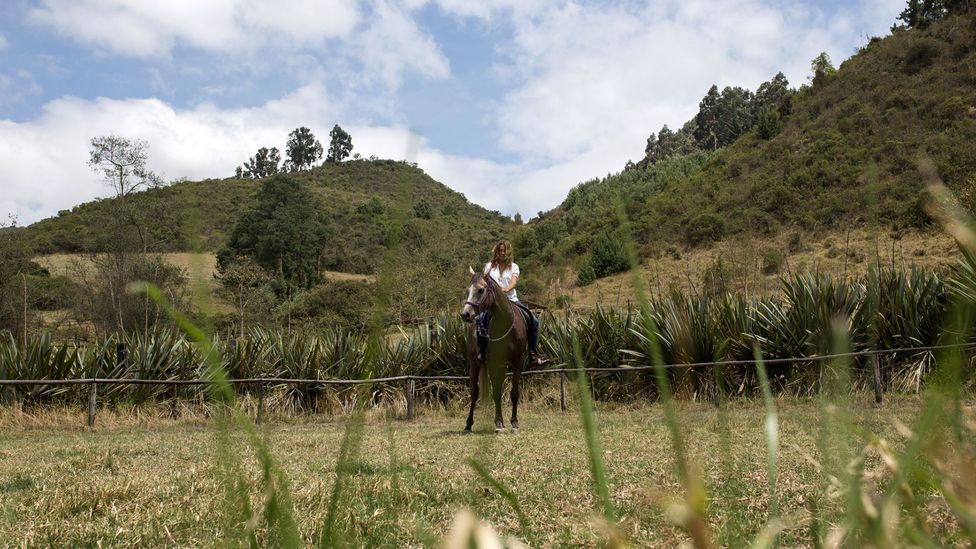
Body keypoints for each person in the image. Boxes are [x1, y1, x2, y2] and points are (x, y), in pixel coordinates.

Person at [477, 240, 545, 366]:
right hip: (493, 303)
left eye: (504, 250)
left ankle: (532, 354)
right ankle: (481, 351)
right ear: (496, 251)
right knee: (480, 319)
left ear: (508, 252)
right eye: (499, 250)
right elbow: (483, 282)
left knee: (534, 321)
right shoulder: (488, 267)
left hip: (512, 300)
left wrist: (506, 289)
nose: (502, 253)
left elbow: (514, 282)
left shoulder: (514, 267)